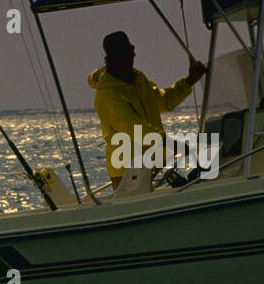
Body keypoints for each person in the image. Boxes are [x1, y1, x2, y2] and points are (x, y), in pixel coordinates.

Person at [87, 30, 206, 187]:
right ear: (113, 58)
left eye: (132, 50)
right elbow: (136, 130)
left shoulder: (138, 79)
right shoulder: (108, 95)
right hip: (127, 171)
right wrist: (173, 143)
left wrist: (189, 81)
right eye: (128, 51)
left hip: (151, 163)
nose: (133, 54)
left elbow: (162, 101)